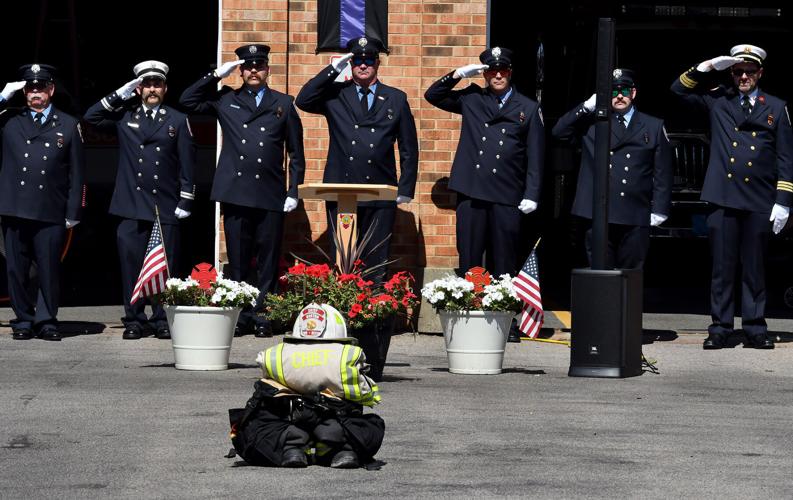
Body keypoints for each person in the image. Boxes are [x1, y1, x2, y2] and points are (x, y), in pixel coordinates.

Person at [671, 44, 793, 350]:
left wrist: (783, 200)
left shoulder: (776, 107)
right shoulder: (718, 100)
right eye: (737, 71)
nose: (743, 77)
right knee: (722, 269)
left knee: (754, 268)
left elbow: (785, 157)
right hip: (723, 197)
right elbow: (678, 90)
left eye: (749, 72)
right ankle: (720, 327)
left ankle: (754, 327)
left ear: (759, 73)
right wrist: (708, 66)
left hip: (758, 198)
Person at [180, 44, 305, 338]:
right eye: (247, 66)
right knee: (237, 259)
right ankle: (241, 314)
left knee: (267, 260)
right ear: (240, 70)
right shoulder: (226, 99)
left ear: (267, 69)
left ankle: (263, 314)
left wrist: (293, 190)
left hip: (270, 192)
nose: (253, 71)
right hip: (236, 191)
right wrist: (215, 75)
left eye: (258, 66)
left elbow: (296, 153)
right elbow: (188, 100)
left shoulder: (284, 104)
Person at [424, 47, 544, 342]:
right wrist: (459, 75)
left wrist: (532, 193)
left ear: (510, 73)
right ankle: (470, 311)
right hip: (472, 190)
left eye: (502, 71)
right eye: (491, 71)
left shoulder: (526, 107)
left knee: (504, 260)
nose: (497, 75)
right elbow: (433, 96)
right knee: (471, 257)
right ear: (485, 73)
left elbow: (536, 156)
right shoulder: (472, 98)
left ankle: (506, 318)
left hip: (506, 192)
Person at [84, 61, 196, 340]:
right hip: (130, 205)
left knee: (164, 268)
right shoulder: (125, 117)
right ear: (139, 89)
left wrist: (186, 200)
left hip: (164, 205)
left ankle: (161, 318)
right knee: (131, 265)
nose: (152, 89)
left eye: (157, 84)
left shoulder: (177, 119)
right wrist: (118, 95)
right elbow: (91, 118)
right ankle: (134, 318)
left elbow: (188, 163)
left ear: (165, 88)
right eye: (147, 85)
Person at [295, 37, 418, 283]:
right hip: (342, 188)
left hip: (380, 190)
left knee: (376, 258)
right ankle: (345, 313)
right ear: (351, 64)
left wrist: (405, 188)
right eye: (357, 61)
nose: (363, 66)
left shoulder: (396, 98)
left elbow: (409, 147)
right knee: (343, 258)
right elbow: (303, 99)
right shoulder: (335, 95)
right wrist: (333, 69)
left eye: (369, 60)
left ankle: (374, 318)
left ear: (378, 63)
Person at [228, 303, 384, 469]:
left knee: (266, 415)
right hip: (333, 425)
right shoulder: (348, 355)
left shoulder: (276, 355)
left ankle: (293, 448)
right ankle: (340, 449)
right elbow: (364, 393)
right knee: (368, 423)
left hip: (290, 420)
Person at [553, 68, 673, 269]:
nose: (619, 96)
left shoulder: (652, 125)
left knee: (631, 276)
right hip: (598, 212)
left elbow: (662, 171)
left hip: (635, 212)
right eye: (613, 91)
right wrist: (585, 107)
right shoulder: (592, 123)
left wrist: (659, 208)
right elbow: (558, 132)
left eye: (624, 91)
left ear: (633, 93)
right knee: (601, 276)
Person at [0, 64, 85, 341]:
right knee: (16, 268)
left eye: (40, 88)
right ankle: (23, 319)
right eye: (30, 89)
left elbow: (77, 173)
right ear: (24, 93)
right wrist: (1, 97)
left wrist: (73, 210)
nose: (35, 93)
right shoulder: (9, 120)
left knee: (48, 267)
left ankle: (46, 319)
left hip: (50, 208)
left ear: (51, 90)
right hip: (14, 207)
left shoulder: (68, 124)